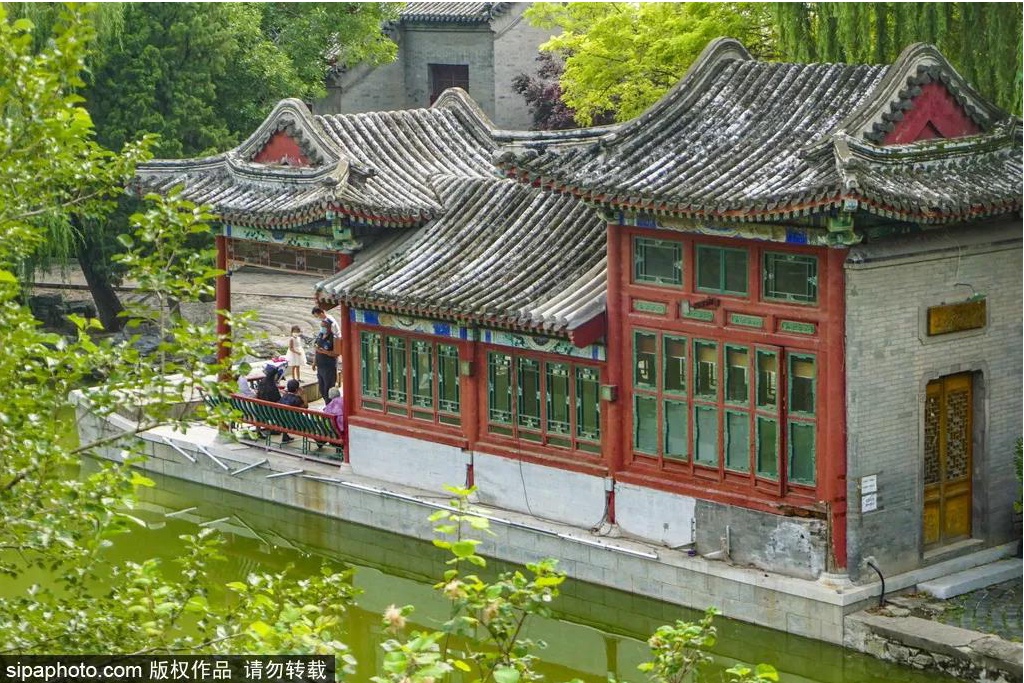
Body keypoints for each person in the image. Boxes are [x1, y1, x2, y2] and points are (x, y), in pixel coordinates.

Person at [311, 315, 341, 404]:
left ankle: (330, 406)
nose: (322, 328)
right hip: (320, 366)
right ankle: (327, 404)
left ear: (329, 327)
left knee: (328, 388)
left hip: (329, 367)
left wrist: (325, 352)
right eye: (321, 326)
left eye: (324, 326)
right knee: (321, 388)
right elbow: (316, 349)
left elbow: (336, 354)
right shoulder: (320, 335)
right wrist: (314, 362)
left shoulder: (333, 338)